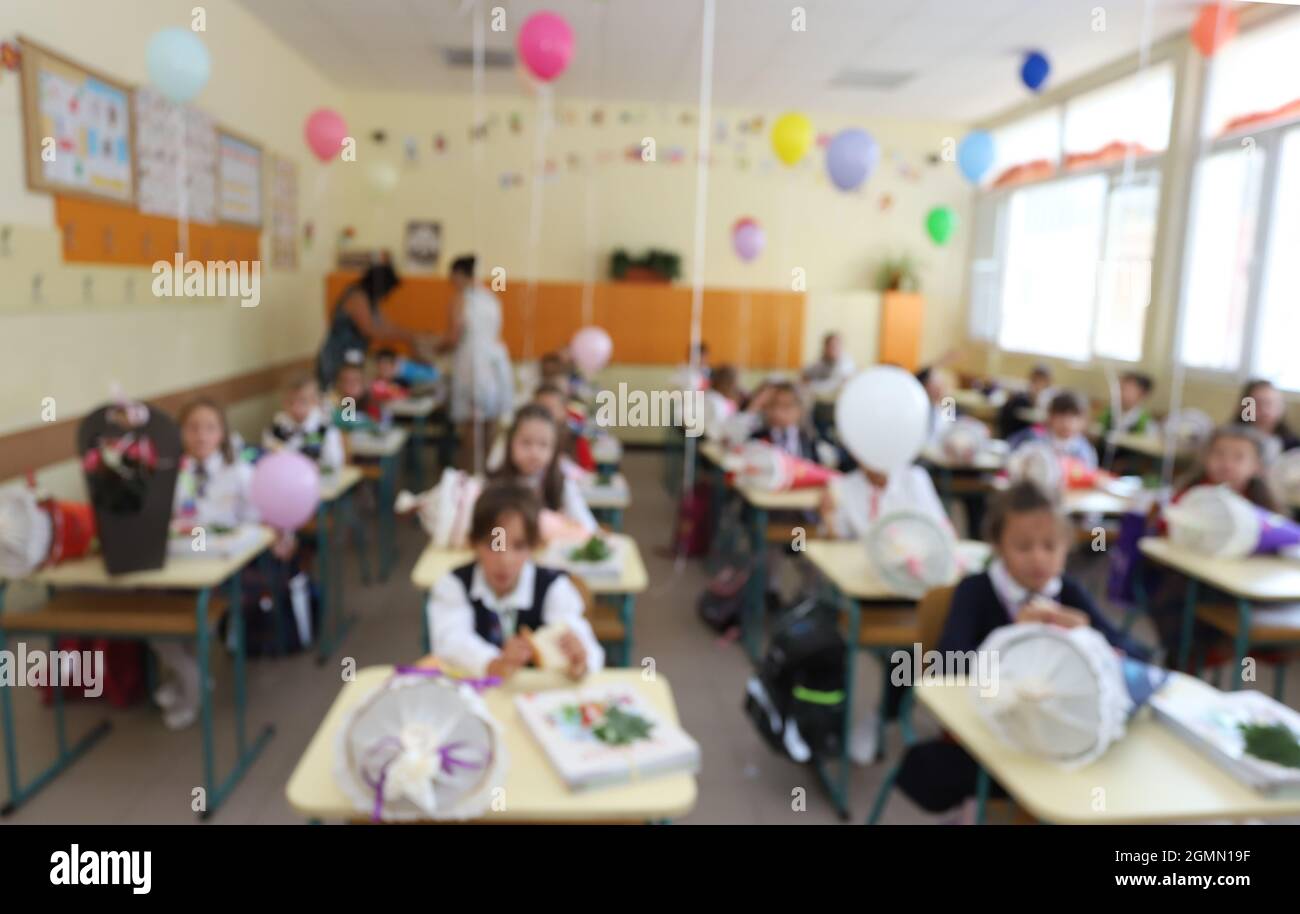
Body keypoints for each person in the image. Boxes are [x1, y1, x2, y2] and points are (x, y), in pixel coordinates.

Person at [895, 482, 1146, 819]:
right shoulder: (976, 590)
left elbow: (1136, 657)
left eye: (1049, 546)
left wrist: (1090, 636)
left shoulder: (1068, 593)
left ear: (1066, 548)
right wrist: (1013, 635)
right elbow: (946, 665)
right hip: (989, 734)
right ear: (998, 546)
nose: (1038, 558)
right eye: (1023, 547)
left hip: (1060, 736)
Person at [425, 483, 603, 679]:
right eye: (494, 545)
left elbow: (581, 637)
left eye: (518, 546)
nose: (505, 560)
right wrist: (495, 663)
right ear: (473, 543)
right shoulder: (454, 585)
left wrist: (581, 660)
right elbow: (450, 642)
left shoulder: (554, 586)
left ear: (535, 546)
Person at [159, 399, 259, 729]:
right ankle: (190, 675)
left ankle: (190, 687)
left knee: (196, 618)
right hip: (176, 562)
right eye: (192, 428)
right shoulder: (170, 471)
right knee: (155, 618)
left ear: (223, 434)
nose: (201, 436)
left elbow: (254, 522)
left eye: (210, 428)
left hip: (221, 566)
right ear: (180, 433)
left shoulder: (239, 472)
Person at [442, 255, 514, 472]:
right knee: (489, 426)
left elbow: (454, 337)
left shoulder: (461, 298)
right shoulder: (492, 298)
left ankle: (467, 477)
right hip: (496, 365)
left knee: (471, 428)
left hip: (473, 367)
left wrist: (431, 347)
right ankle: (487, 475)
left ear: (459, 275)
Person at [316, 260, 429, 389]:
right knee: (339, 395)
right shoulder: (357, 296)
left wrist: (409, 335)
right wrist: (406, 336)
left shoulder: (371, 300)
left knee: (353, 395)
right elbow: (369, 330)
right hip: (337, 357)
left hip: (354, 357)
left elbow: (385, 325)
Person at [489, 404, 597, 532]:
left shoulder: (562, 483)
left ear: (554, 449)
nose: (534, 453)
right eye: (526, 442)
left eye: (543, 444)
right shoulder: (494, 485)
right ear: (510, 443)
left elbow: (588, 527)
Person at [263, 376, 345, 470]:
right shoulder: (274, 429)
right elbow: (271, 462)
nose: (295, 408)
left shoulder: (325, 428)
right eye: (290, 402)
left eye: (303, 401)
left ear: (315, 401)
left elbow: (334, 463)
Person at [1008, 390, 1098, 469]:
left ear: (1083, 421)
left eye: (1074, 416)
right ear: (1050, 416)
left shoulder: (1084, 451)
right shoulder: (1033, 438)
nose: (1067, 422)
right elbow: (1011, 453)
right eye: (1061, 415)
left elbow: (1088, 475)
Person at [1235, 378, 1300, 461]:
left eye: (1270, 403)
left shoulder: (1293, 445)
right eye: (1257, 403)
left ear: (1281, 407)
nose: (1264, 409)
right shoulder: (1229, 439)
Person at [998, 364, 1053, 440]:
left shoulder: (1046, 400)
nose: (1039, 384)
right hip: (1015, 435)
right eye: (1036, 380)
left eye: (1042, 381)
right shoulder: (1020, 399)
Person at [1098, 371, 1155, 437]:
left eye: (1127, 389)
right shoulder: (1108, 413)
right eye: (1119, 388)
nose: (1120, 393)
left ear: (1142, 394)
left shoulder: (1145, 421)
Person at [802, 332, 855, 397]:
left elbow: (833, 387)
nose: (834, 349)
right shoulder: (822, 361)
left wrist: (811, 384)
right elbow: (807, 373)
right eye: (831, 346)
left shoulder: (846, 364)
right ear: (825, 347)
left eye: (837, 346)